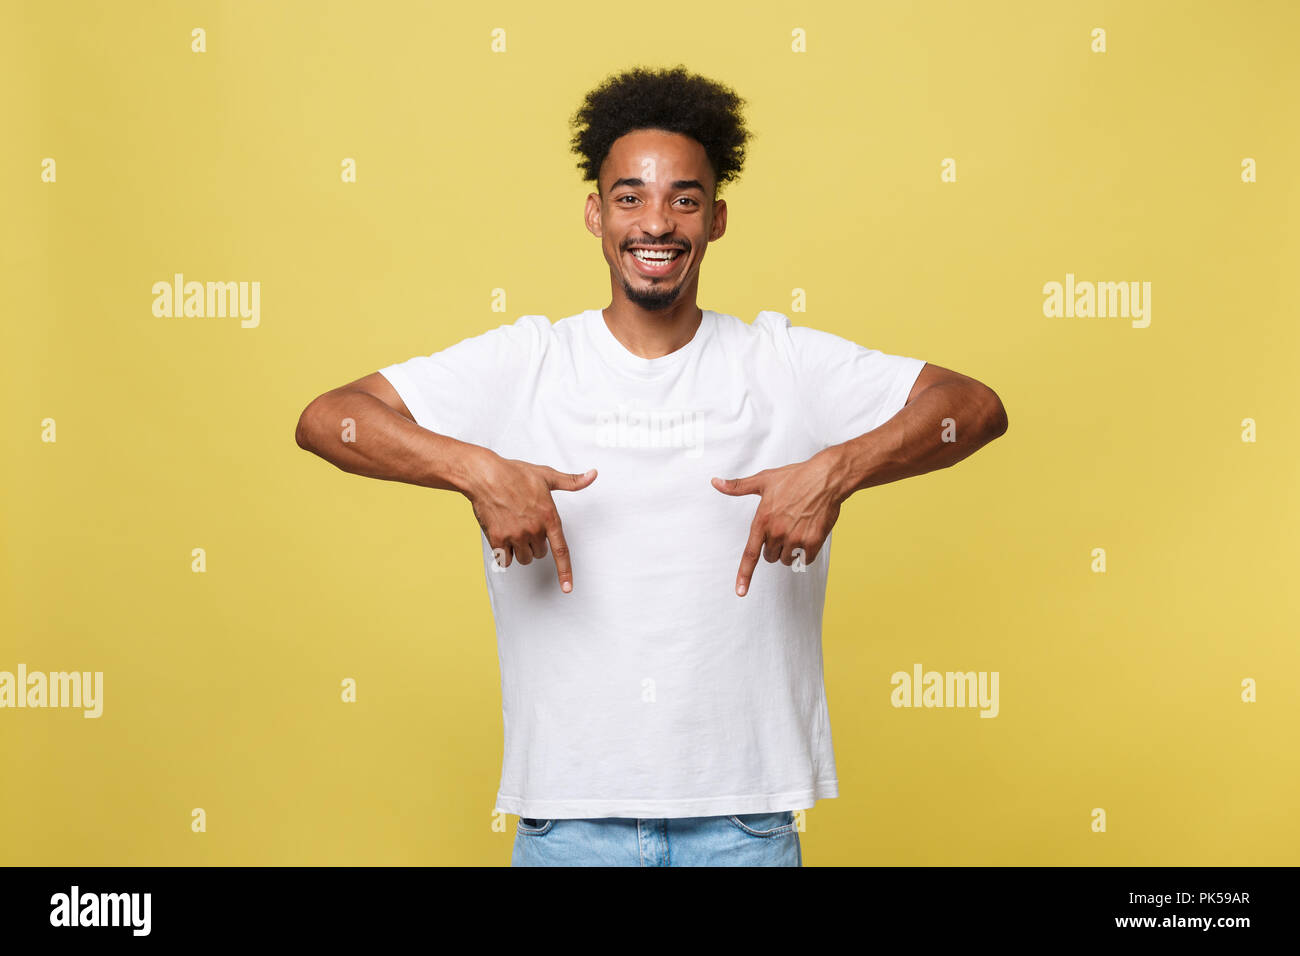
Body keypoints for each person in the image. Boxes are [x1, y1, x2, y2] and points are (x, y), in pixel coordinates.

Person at [295, 65, 1008, 866]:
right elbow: (331, 419)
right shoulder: (529, 359)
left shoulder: (781, 359)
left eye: (685, 199)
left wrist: (837, 470)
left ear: (717, 219)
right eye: (630, 197)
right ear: (596, 215)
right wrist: (474, 469)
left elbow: (971, 406)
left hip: (745, 826)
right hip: (568, 826)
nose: (656, 223)